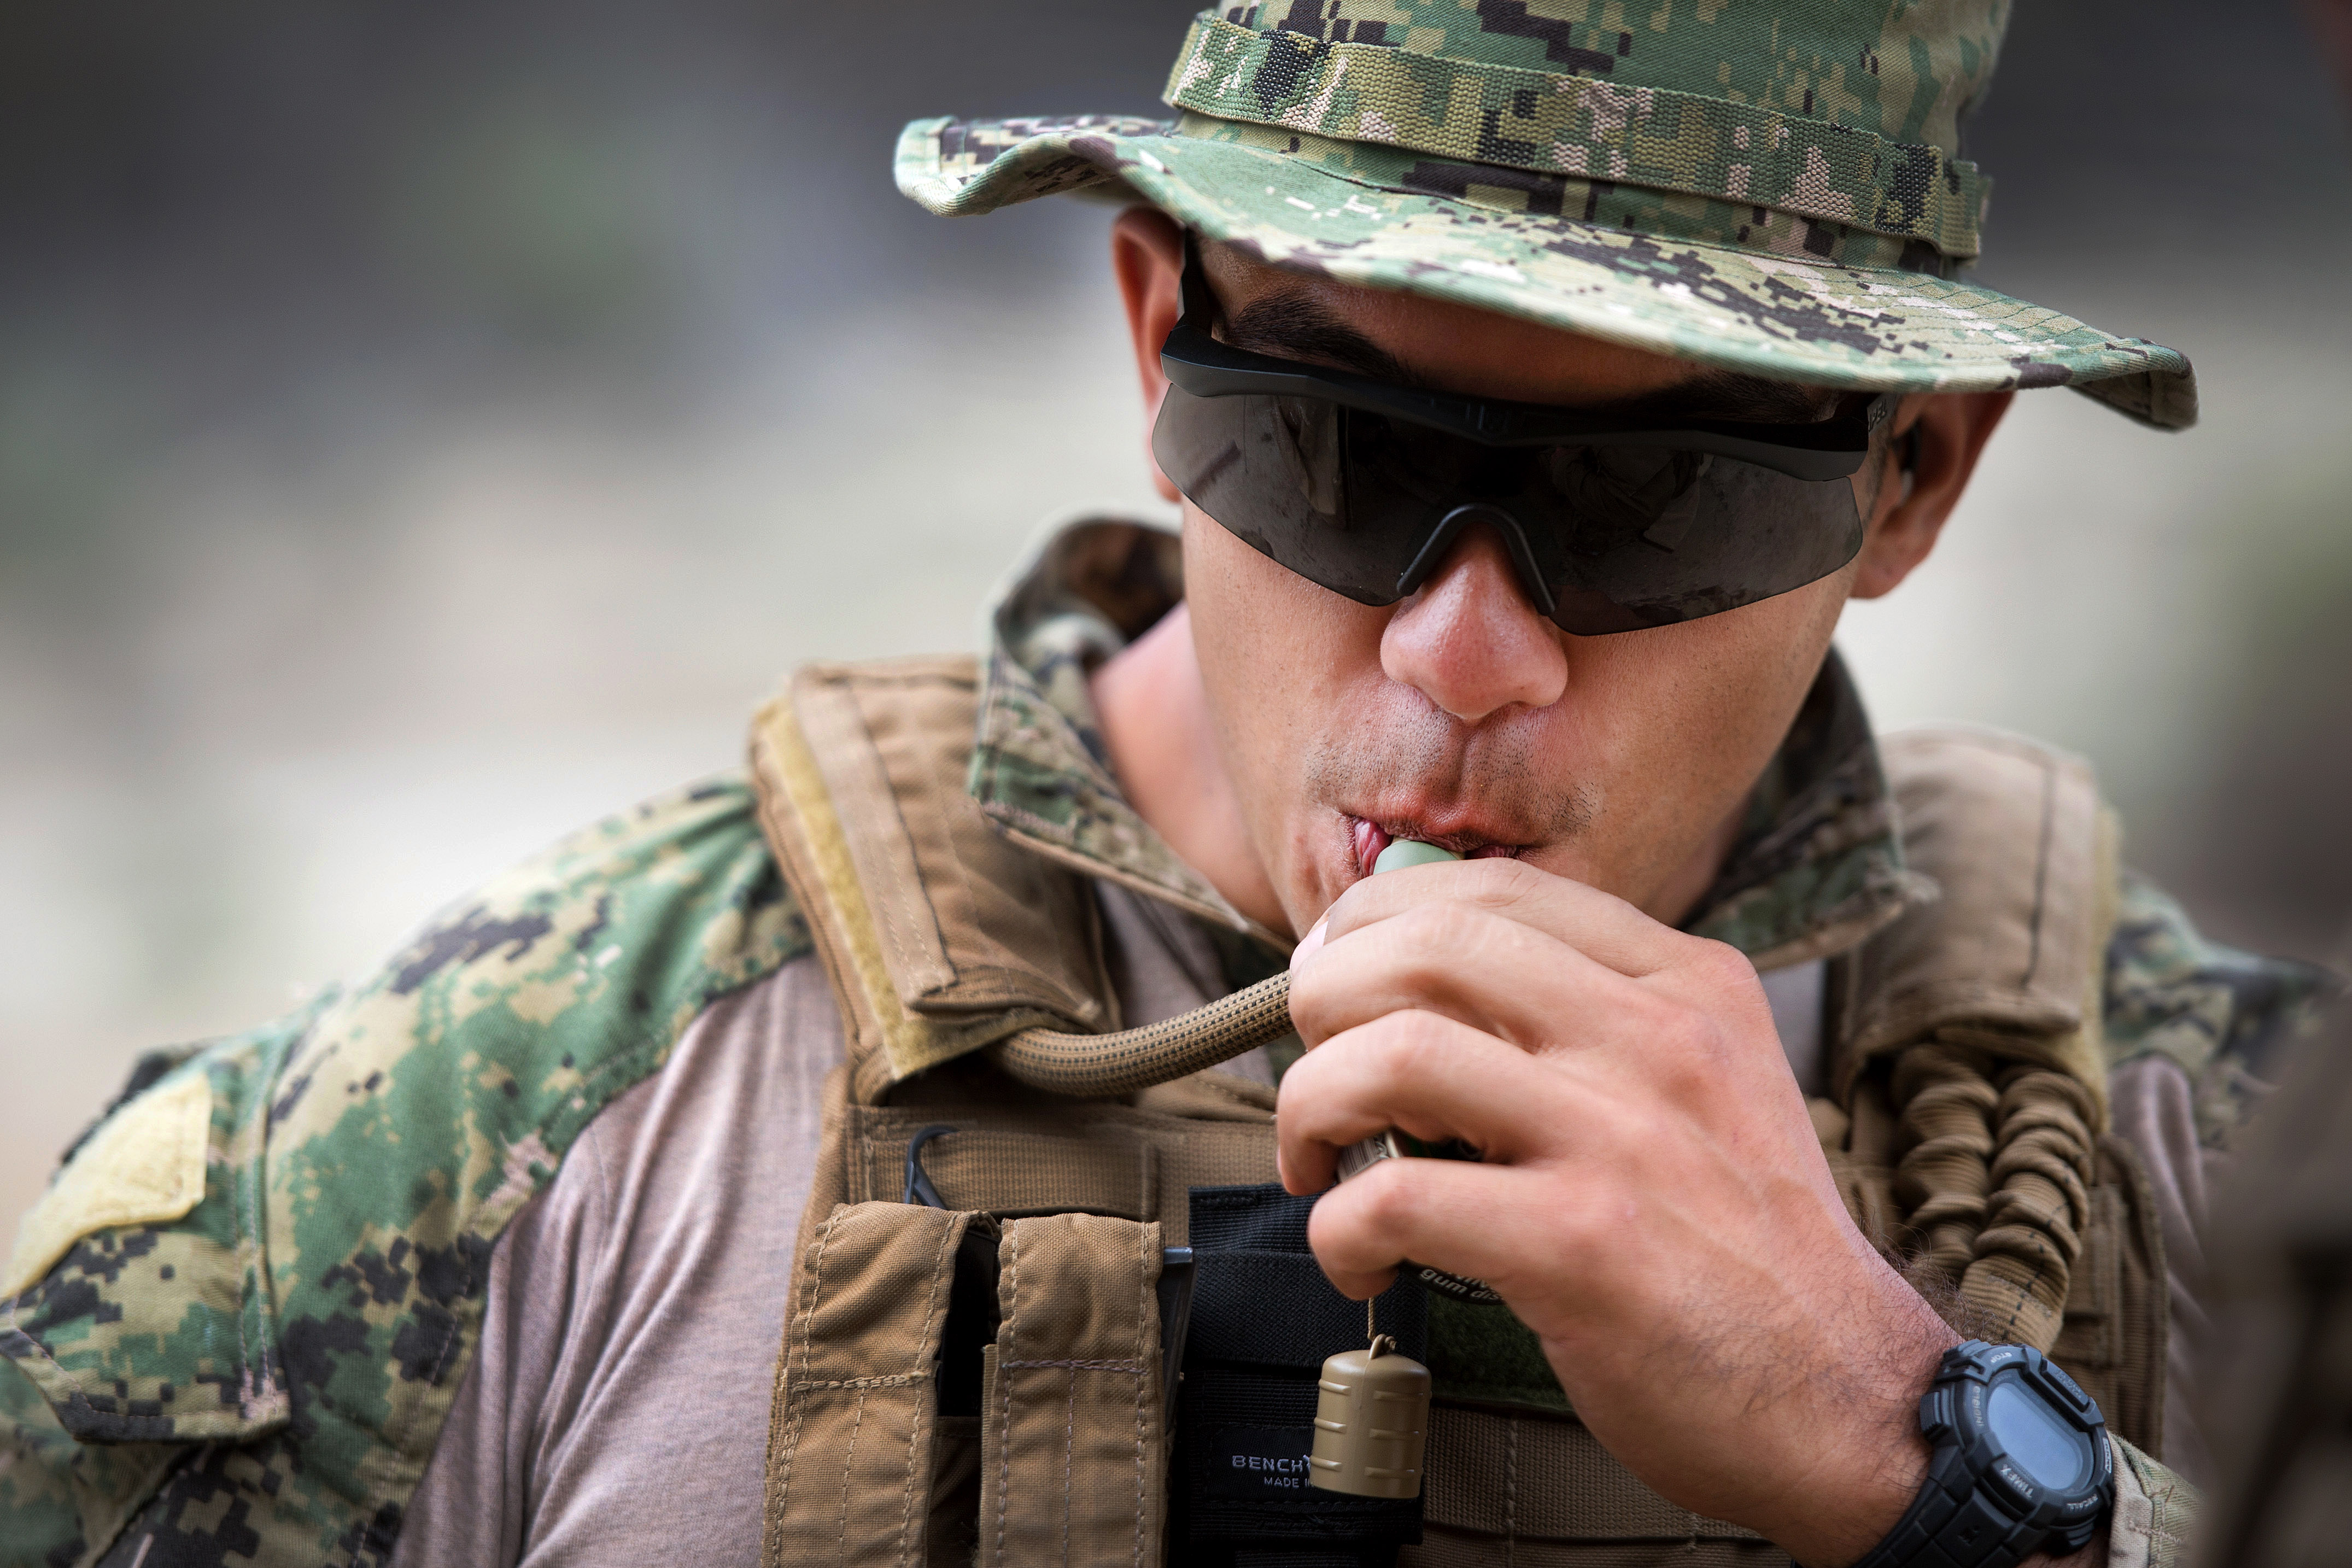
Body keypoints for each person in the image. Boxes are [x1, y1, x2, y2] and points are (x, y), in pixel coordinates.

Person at [0, 4, 2330, 1566]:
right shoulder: (523, 1119)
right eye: (1327, 448)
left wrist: (1927, 1448)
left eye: (1663, 499)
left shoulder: (2213, 1162)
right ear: (1151, 345)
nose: (1463, 645)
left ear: (1907, 483)